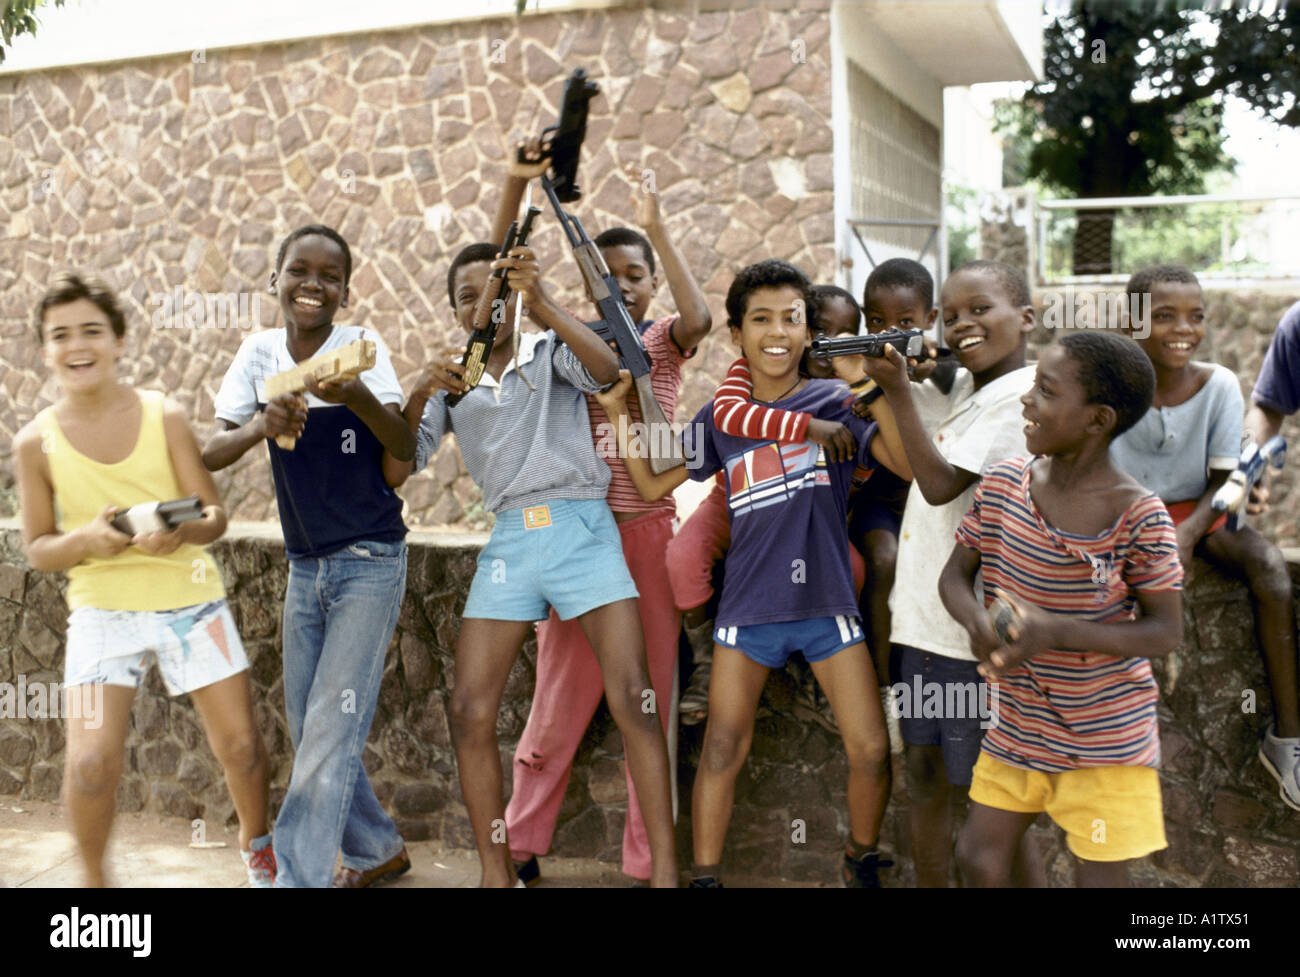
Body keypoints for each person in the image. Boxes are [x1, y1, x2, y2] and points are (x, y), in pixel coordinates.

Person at [385, 151, 678, 889]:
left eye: (493, 291)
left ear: (513, 296)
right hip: (513, 538)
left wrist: (544, 303)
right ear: (454, 308)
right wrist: (420, 390)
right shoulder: (454, 379)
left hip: (584, 528)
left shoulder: (549, 348)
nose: (479, 304)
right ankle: (496, 869)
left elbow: (615, 370)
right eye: (464, 295)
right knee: (468, 706)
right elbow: (396, 467)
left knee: (637, 697)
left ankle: (667, 873)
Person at [598, 258, 911, 888]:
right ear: (737, 334)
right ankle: (707, 876)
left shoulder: (836, 401)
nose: (777, 331)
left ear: (808, 331)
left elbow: (905, 463)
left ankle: (860, 857)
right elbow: (656, 478)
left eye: (791, 318)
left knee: (873, 750)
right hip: (746, 610)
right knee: (720, 748)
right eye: (760, 319)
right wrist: (619, 415)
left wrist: (872, 387)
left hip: (826, 606)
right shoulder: (722, 417)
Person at [15, 273, 273, 887]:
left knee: (240, 749)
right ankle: (96, 891)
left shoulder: (166, 414)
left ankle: (258, 850)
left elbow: (213, 515)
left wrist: (179, 532)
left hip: (192, 604)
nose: (78, 345)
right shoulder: (34, 442)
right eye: (60, 335)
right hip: (101, 615)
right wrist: (87, 540)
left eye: (92, 331)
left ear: (119, 341)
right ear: (45, 351)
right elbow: (38, 550)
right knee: (87, 766)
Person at [505, 163, 712, 886]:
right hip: (582, 537)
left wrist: (658, 227)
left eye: (635, 274)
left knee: (648, 701)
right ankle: (521, 840)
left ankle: (650, 861)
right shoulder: (570, 347)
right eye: (611, 275)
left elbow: (701, 320)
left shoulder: (659, 340)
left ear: (650, 284)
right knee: (558, 701)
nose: (622, 286)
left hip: (650, 533)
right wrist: (551, 307)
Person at [203, 225, 417, 888]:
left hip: (369, 559)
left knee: (328, 732)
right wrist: (260, 424)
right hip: (305, 566)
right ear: (275, 280)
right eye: (299, 270)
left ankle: (295, 878)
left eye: (329, 275)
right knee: (315, 729)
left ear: (345, 292)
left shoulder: (364, 350)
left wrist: (350, 393)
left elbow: (403, 445)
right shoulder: (259, 353)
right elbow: (206, 451)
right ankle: (377, 847)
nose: (312, 284)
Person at [941, 331, 1185, 887]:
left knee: (1097, 879)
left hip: (1104, 739)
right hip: (1019, 725)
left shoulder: (1138, 516)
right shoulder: (1004, 484)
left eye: (1046, 391)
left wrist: (1054, 632)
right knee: (978, 858)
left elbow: (1163, 631)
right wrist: (979, 624)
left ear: (1098, 420)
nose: (1027, 400)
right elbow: (955, 577)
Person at [858, 259, 1044, 887]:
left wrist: (898, 390)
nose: (965, 323)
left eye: (981, 309)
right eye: (955, 313)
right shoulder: (969, 387)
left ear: (1026, 317)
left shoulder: (1024, 399)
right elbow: (929, 393)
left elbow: (938, 484)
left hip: (969, 636)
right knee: (927, 777)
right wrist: (912, 371)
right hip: (923, 630)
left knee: (993, 798)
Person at [1111, 265, 1299, 810]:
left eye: (1195, 317)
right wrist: (1146, 536)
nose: (1182, 329)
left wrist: (1186, 536)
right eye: (1164, 316)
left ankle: (1287, 738)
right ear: (1131, 323)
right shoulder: (1112, 387)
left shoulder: (1217, 384)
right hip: (1126, 510)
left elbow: (1223, 482)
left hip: (1200, 508)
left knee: (1269, 567)